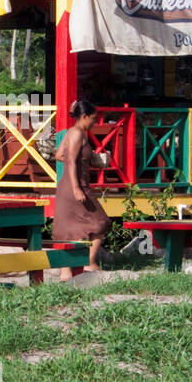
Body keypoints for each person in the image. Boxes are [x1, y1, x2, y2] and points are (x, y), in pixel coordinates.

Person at [52, 100, 111, 281]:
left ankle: (65, 271)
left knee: (69, 228)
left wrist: (88, 160)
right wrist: (77, 187)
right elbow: (69, 159)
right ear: (84, 116)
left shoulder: (72, 132)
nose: (95, 122)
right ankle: (89, 262)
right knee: (102, 222)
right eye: (93, 118)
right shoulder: (77, 133)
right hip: (75, 186)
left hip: (68, 186)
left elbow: (59, 155)